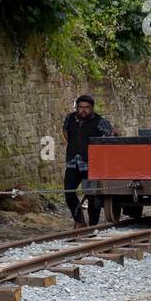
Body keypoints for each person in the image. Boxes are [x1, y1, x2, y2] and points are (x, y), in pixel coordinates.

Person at [62, 94, 116, 227]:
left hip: (92, 164)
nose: (83, 110)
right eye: (80, 107)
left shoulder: (99, 121)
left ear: (91, 108)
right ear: (77, 107)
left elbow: (113, 135)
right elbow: (65, 132)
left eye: (86, 107)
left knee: (92, 195)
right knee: (69, 192)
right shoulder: (69, 118)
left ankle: (93, 224)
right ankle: (79, 220)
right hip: (73, 162)